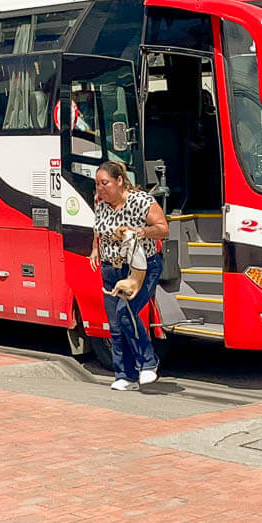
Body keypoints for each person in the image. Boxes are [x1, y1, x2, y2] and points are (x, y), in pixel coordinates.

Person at [91, 160, 168, 391]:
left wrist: (140, 231)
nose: (100, 189)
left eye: (105, 183)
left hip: (139, 268)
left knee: (126, 314)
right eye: (97, 184)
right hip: (110, 269)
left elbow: (163, 229)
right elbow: (98, 230)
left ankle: (148, 362)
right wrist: (95, 249)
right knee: (115, 325)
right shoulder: (100, 203)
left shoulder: (141, 201)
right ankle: (124, 375)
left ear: (120, 181)